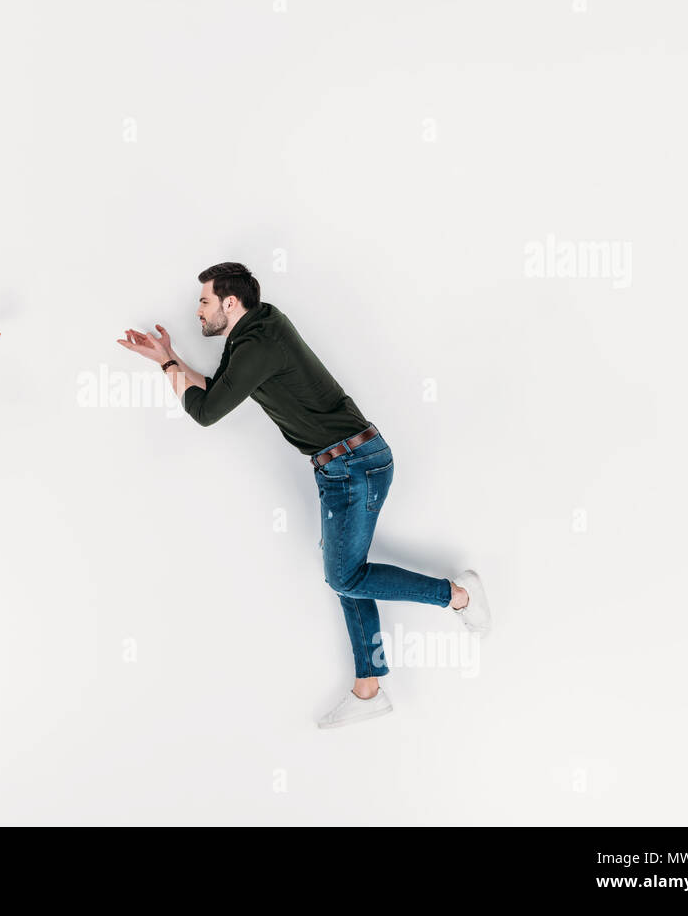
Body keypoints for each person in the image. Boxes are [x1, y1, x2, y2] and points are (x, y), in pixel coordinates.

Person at [117, 261, 490, 728]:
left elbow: (206, 412)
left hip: (354, 465)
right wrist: (168, 360)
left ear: (231, 303)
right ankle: (368, 688)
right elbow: (218, 390)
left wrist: (169, 365)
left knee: (344, 577)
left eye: (205, 302)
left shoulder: (256, 342)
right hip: (343, 465)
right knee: (346, 574)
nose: (199, 312)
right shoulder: (256, 330)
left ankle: (457, 597)